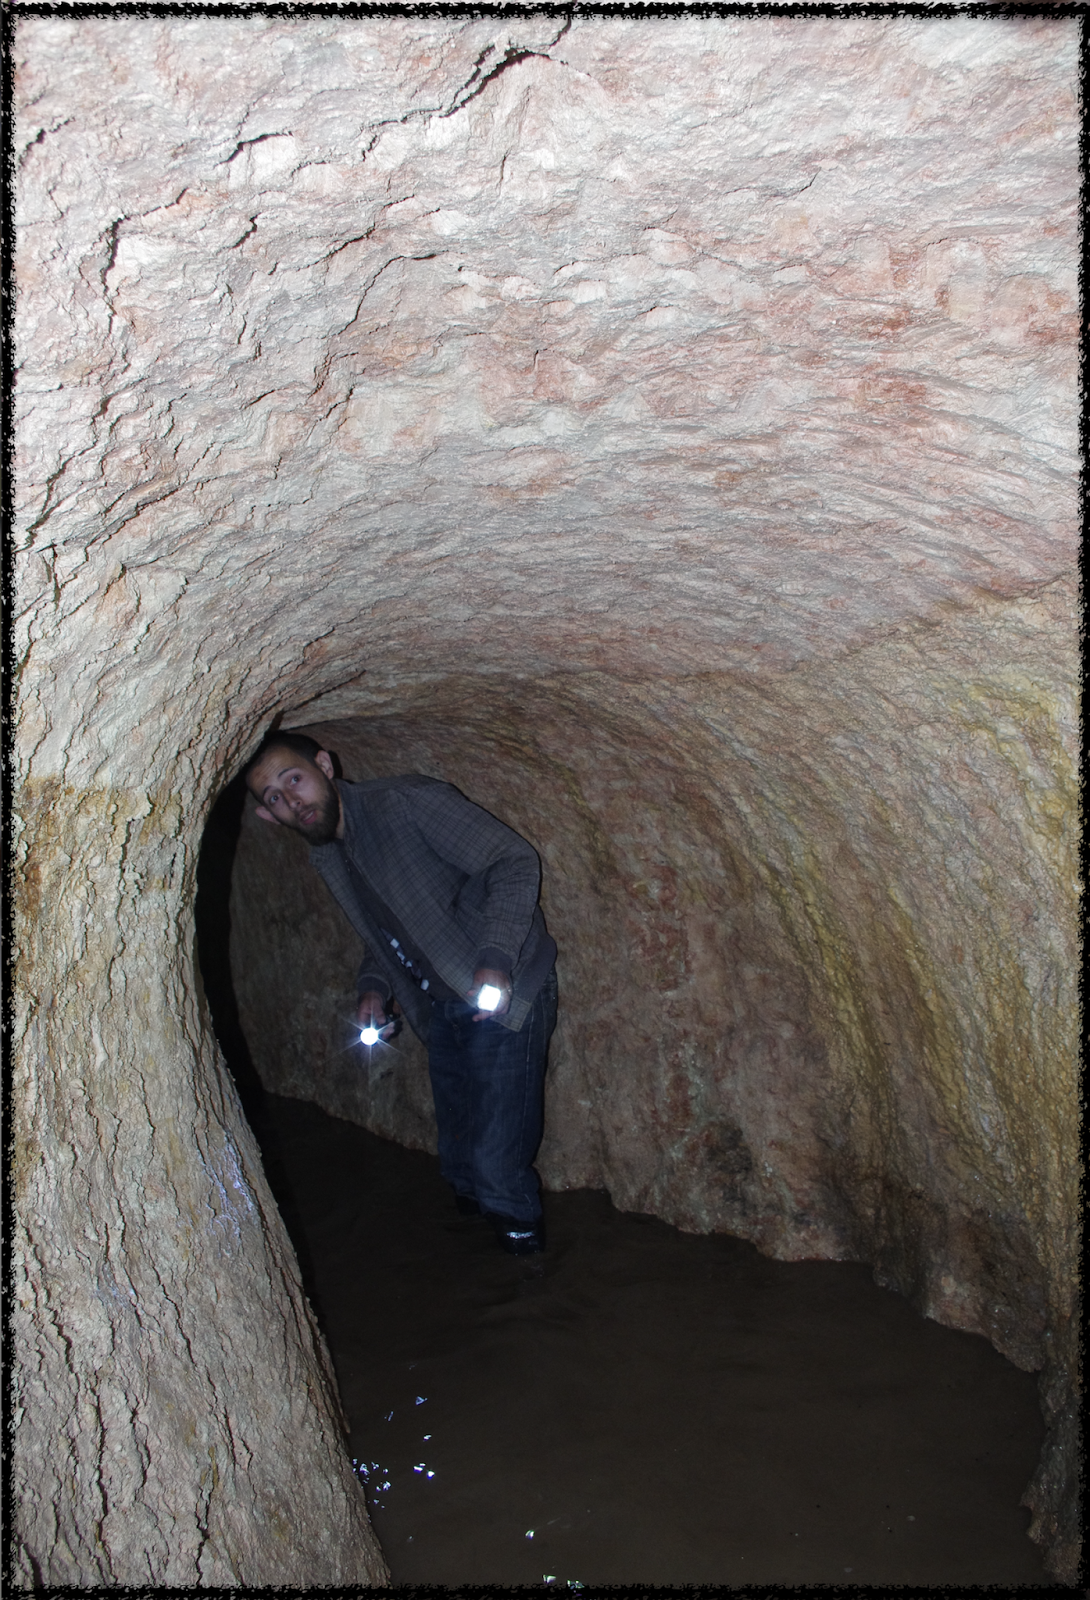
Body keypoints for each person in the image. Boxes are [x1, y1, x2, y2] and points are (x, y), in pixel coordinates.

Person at [243, 731, 558, 1255]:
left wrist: (495, 957)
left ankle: (531, 1278)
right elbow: (392, 929)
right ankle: (479, 1277)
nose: (291, 799)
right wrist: (374, 986)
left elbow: (513, 861)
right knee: (458, 1159)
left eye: (293, 779)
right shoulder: (332, 854)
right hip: (443, 1005)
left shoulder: (404, 803)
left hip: (505, 995)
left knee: (495, 1165)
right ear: (267, 816)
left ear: (324, 764)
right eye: (274, 797)